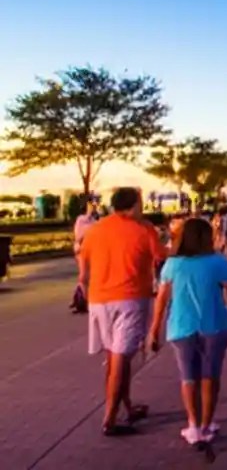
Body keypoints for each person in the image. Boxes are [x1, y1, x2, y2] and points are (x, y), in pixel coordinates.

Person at [147, 217, 227, 448]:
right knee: (210, 377)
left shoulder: (172, 265)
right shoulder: (219, 262)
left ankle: (193, 424)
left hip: (181, 327)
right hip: (215, 325)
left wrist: (154, 331)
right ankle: (207, 423)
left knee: (188, 377)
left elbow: (161, 300)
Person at [79, 186, 166, 436]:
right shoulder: (143, 229)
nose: (143, 207)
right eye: (140, 202)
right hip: (129, 300)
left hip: (99, 301)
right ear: (132, 206)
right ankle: (110, 418)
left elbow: (83, 264)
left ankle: (125, 407)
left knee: (116, 357)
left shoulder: (95, 230)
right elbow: (161, 256)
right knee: (120, 358)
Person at [70, 197, 99, 314]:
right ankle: (83, 300)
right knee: (84, 275)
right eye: (91, 204)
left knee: (90, 276)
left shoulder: (95, 220)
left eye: (95, 204)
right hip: (82, 250)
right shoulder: (81, 220)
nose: (94, 206)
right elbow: (79, 235)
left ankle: (83, 299)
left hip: (93, 250)